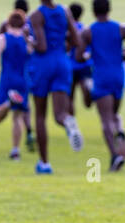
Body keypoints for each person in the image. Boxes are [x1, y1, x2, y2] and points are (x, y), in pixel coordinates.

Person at [79, 0, 125, 168]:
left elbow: (78, 55)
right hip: (118, 76)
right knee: (114, 113)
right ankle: (120, 132)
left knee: (105, 120)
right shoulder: (122, 28)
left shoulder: (89, 31)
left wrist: (88, 56)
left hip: (101, 77)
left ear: (93, 11)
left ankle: (114, 155)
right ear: (109, 9)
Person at [28, 0, 85, 173]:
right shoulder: (65, 11)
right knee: (60, 113)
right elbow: (76, 40)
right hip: (62, 62)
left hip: (43, 65)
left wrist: (29, 39)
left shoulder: (37, 15)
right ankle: (68, 122)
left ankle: (44, 163)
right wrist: (61, 44)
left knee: (40, 115)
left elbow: (42, 46)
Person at [0, 9, 31, 157]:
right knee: (18, 118)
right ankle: (15, 150)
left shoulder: (2, 38)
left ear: (8, 22)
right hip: (23, 80)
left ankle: (8, 103)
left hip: (7, 79)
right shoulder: (26, 40)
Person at [68, 2, 92, 111]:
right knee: (87, 102)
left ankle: (72, 121)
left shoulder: (67, 30)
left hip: (70, 65)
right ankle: (88, 89)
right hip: (84, 65)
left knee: (70, 97)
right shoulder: (85, 29)